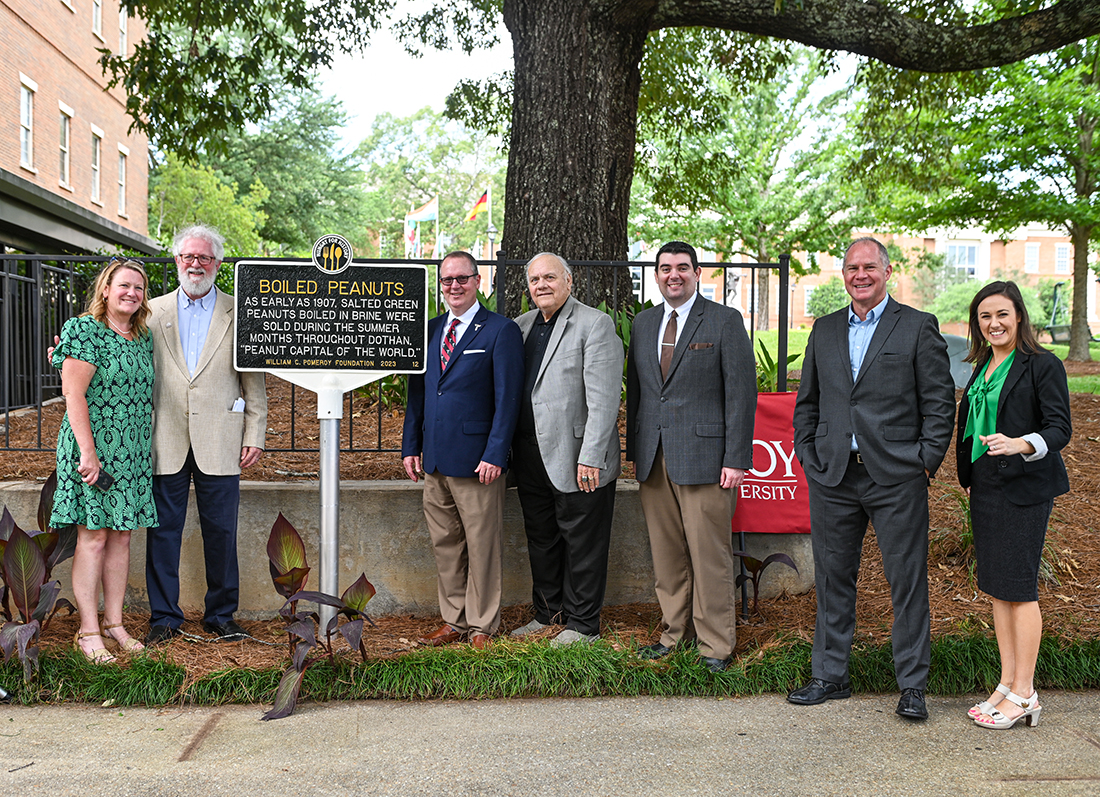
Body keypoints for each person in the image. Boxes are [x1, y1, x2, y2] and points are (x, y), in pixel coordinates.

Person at [788, 237, 955, 720]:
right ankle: (830, 676)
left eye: (869, 267)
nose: (860, 275)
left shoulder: (917, 326)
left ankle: (912, 685)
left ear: (887, 271)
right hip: (834, 476)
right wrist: (809, 455)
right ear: (843, 275)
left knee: (907, 581)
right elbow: (808, 401)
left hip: (896, 477)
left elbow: (940, 402)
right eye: (851, 268)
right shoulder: (824, 329)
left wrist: (924, 461)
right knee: (832, 578)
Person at [625, 241, 756, 672]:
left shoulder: (723, 320)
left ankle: (715, 645)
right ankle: (673, 634)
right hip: (653, 457)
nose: (673, 275)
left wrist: (736, 458)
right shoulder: (644, 323)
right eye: (665, 268)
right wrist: (635, 451)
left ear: (697, 273)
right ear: (656, 275)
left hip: (707, 458)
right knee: (667, 556)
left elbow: (741, 394)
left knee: (708, 555)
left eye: (682, 267)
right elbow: (639, 392)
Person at [144, 224, 267, 645]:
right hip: (165, 438)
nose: (195, 264)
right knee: (163, 533)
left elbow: (254, 382)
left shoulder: (240, 312)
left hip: (221, 438)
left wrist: (255, 433)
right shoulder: (151, 311)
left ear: (217, 263)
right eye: (188, 256)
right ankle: (164, 618)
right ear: (177, 260)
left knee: (222, 533)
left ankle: (221, 615)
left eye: (204, 257)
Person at [957, 281, 1070, 730]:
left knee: (1019, 589)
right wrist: (971, 477)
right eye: (985, 316)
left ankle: (1025, 693)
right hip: (987, 486)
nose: (994, 323)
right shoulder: (982, 364)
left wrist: (1022, 443)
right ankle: (1006, 684)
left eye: (1002, 314)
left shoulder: (1043, 364)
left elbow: (1060, 428)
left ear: (1019, 316)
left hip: (1025, 488)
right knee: (998, 588)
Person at [402, 251, 524, 649]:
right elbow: (417, 395)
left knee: (482, 546)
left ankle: (482, 625)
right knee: (446, 544)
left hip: (478, 462)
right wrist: (411, 446)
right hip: (434, 459)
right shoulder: (430, 330)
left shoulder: (500, 331)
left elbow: (508, 400)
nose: (454, 286)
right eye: (447, 280)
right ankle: (454, 620)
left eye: (462, 279)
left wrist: (495, 453)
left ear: (477, 281)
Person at [510, 253, 624, 646]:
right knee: (542, 538)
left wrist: (591, 455)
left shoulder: (594, 324)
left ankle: (583, 624)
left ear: (569, 281)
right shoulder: (521, 326)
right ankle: (548, 613)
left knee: (583, 543)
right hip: (530, 454)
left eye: (550, 277)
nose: (541, 285)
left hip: (578, 456)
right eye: (534, 279)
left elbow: (604, 400)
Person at [52, 258, 157, 662]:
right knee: (93, 536)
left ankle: (115, 624)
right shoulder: (85, 329)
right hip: (92, 449)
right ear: (106, 290)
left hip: (131, 453)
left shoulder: (142, 336)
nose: (132, 293)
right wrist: (88, 453)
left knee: (122, 536)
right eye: (124, 285)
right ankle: (89, 631)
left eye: (139, 287)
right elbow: (73, 393)